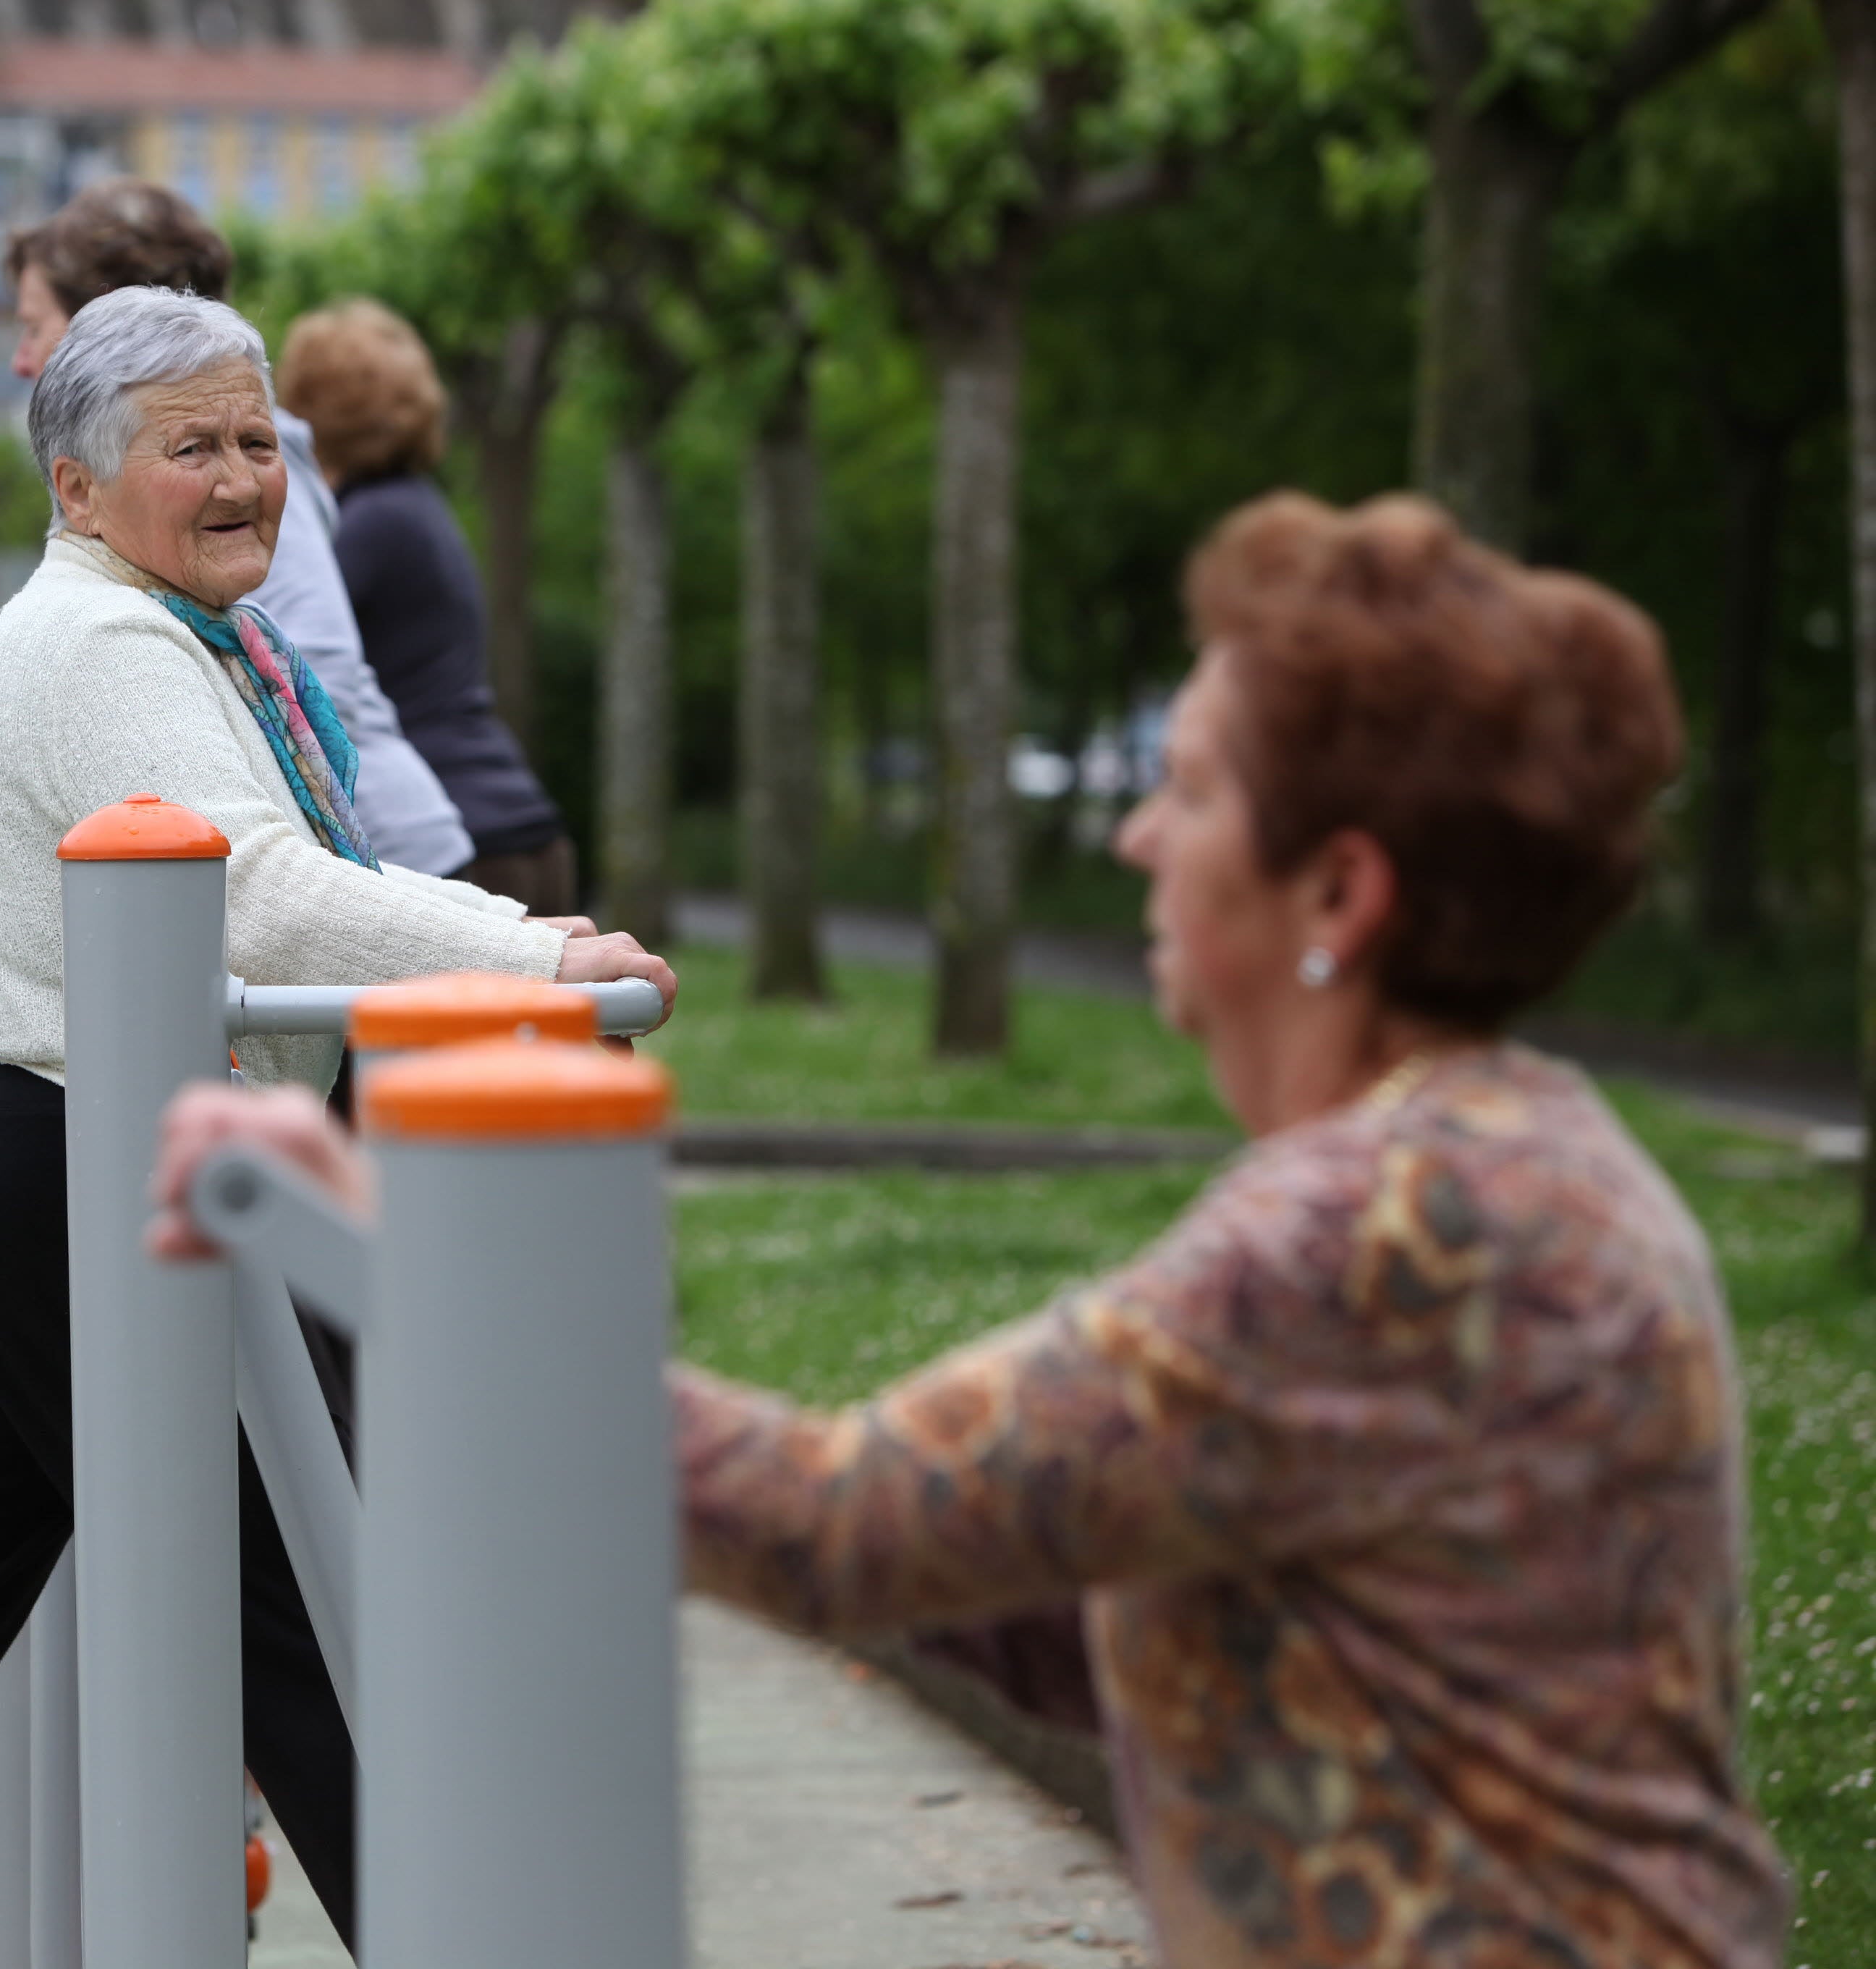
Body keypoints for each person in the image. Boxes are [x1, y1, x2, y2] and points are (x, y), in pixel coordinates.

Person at [143, 494, 1788, 1969]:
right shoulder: (1516, 1157)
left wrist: (382, 1249)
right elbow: (1113, 1618)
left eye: (1191, 791)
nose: (1139, 835)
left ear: (1334, 897)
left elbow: (830, 1520)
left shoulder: (1372, 1228)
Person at [0, 287, 677, 1968]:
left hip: (51, 1154)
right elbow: (255, 889)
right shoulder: (99, 644)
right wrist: (527, 951)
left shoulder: (173, 632)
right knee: (295, 1585)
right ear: (78, 487)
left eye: (252, 442)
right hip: (72, 1163)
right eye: (188, 449)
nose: (239, 481)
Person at [4, 176, 479, 879]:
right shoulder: (108, 600)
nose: (21, 358)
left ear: (111, 327)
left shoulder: (209, 506)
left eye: (34, 325)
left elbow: (321, 685)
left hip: (394, 854)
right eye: (195, 448)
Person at [278, 299, 575, 915]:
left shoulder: (367, 523)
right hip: (520, 826)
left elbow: (286, 650)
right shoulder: (416, 508)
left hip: (458, 836)